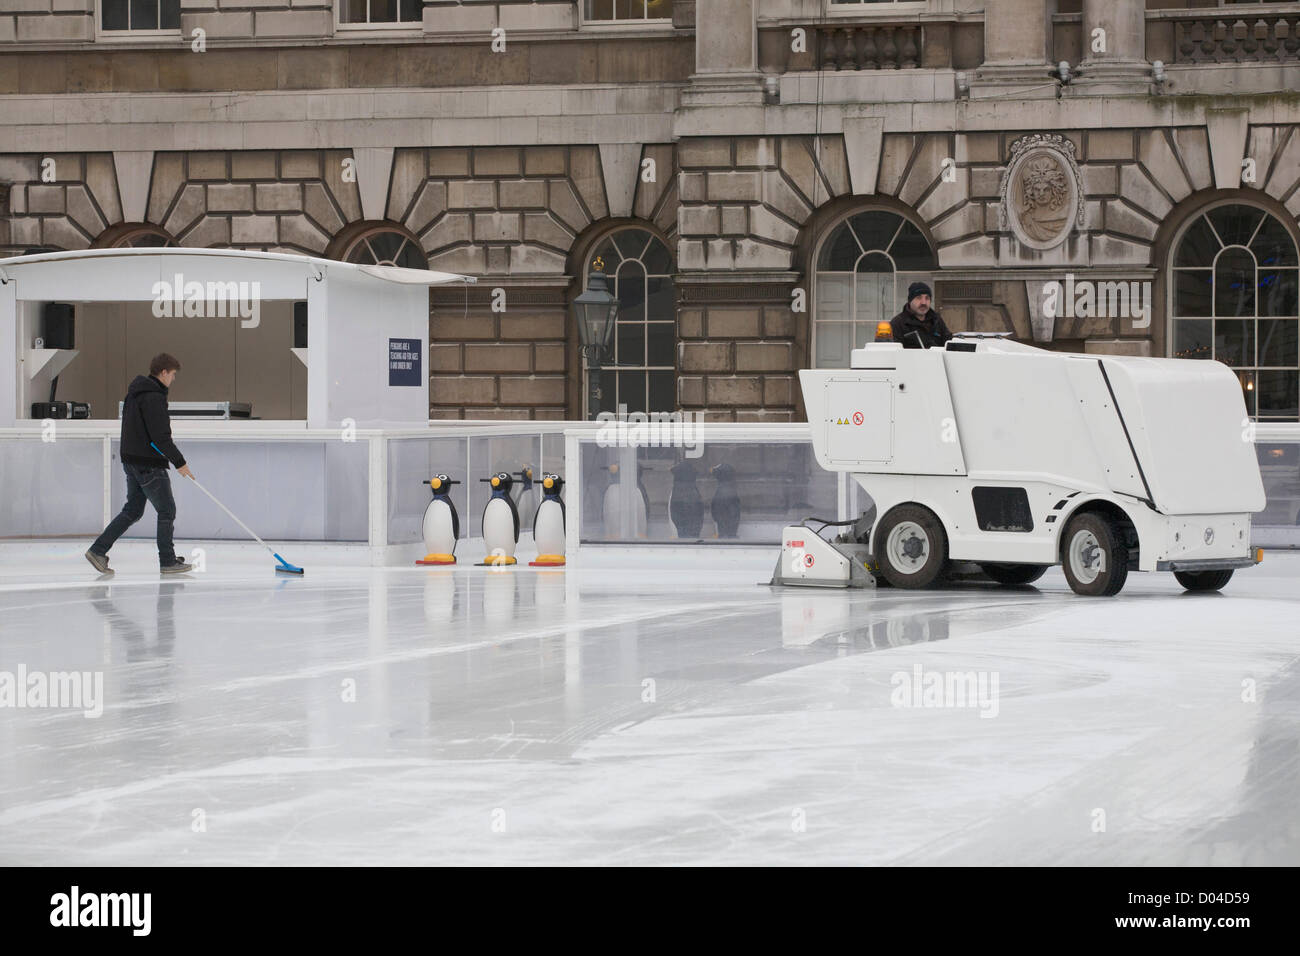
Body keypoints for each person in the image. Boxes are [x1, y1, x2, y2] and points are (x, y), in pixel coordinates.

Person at [86, 354, 195, 575]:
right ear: (163, 372)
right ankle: (167, 561)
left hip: (132, 461)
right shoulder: (154, 397)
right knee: (167, 510)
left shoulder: (134, 393)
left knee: (133, 510)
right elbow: (161, 437)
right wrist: (180, 462)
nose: (173, 379)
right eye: (173, 375)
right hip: (148, 463)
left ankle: (98, 550)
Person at [889, 281, 953, 349]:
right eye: (918, 298)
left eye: (927, 298)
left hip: (937, 359)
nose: (923, 302)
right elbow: (892, 353)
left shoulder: (936, 320)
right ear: (910, 301)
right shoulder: (898, 323)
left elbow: (949, 343)